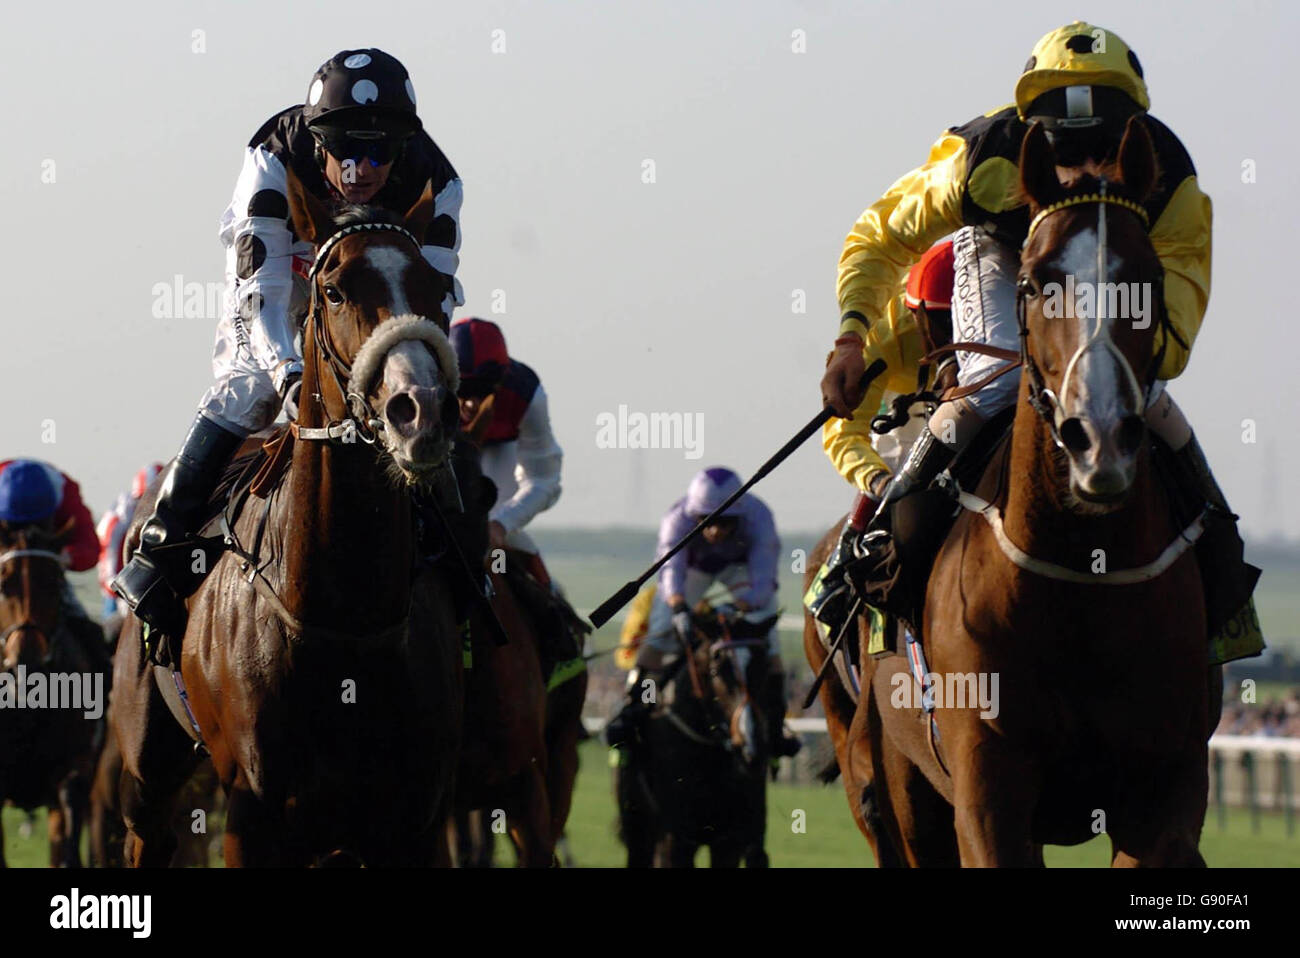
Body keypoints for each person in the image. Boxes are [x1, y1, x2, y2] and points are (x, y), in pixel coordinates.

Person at [817, 21, 1261, 662]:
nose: (1083, 169)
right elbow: (880, 236)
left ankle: (1224, 586)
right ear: (1033, 137)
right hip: (1002, 253)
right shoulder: (982, 162)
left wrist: (1102, 360)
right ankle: (882, 557)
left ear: (1134, 139)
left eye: (1105, 150)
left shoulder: (1173, 188)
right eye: (1064, 149)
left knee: (1148, 393)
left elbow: (1173, 345)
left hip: (1111, 259)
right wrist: (852, 338)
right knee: (995, 387)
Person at [113, 49, 464, 637]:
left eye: (379, 150)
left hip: (376, 296)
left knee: (420, 393)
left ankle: (462, 566)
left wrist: (411, 371)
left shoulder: (439, 181)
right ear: (318, 141)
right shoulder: (273, 160)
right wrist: (290, 373)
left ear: (403, 148)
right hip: (287, 277)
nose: (361, 168)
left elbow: (434, 298)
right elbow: (262, 298)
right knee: (246, 391)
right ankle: (162, 544)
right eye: (346, 148)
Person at [806, 241, 954, 639]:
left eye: (961, 324)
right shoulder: (884, 337)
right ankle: (846, 567)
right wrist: (879, 481)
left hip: (977, 398)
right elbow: (845, 433)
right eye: (942, 326)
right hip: (907, 411)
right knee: (904, 480)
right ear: (917, 315)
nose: (953, 341)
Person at [604, 467, 800, 757]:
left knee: (766, 635)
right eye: (705, 521)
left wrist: (737, 607)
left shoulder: (759, 518)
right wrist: (679, 607)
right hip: (694, 569)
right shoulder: (676, 519)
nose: (715, 531)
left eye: (725, 522)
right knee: (660, 632)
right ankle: (634, 705)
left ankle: (775, 722)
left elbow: (764, 583)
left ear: (740, 516)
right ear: (693, 515)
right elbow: (671, 573)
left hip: (740, 570)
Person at [0, 459, 112, 673]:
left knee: (87, 631)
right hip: (7, 572)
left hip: (47, 573)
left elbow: (89, 546)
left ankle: (103, 687)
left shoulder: (66, 493)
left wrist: (65, 557)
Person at [96, 463, 163, 619]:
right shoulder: (118, 523)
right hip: (118, 600)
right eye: (147, 500)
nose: (153, 509)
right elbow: (110, 580)